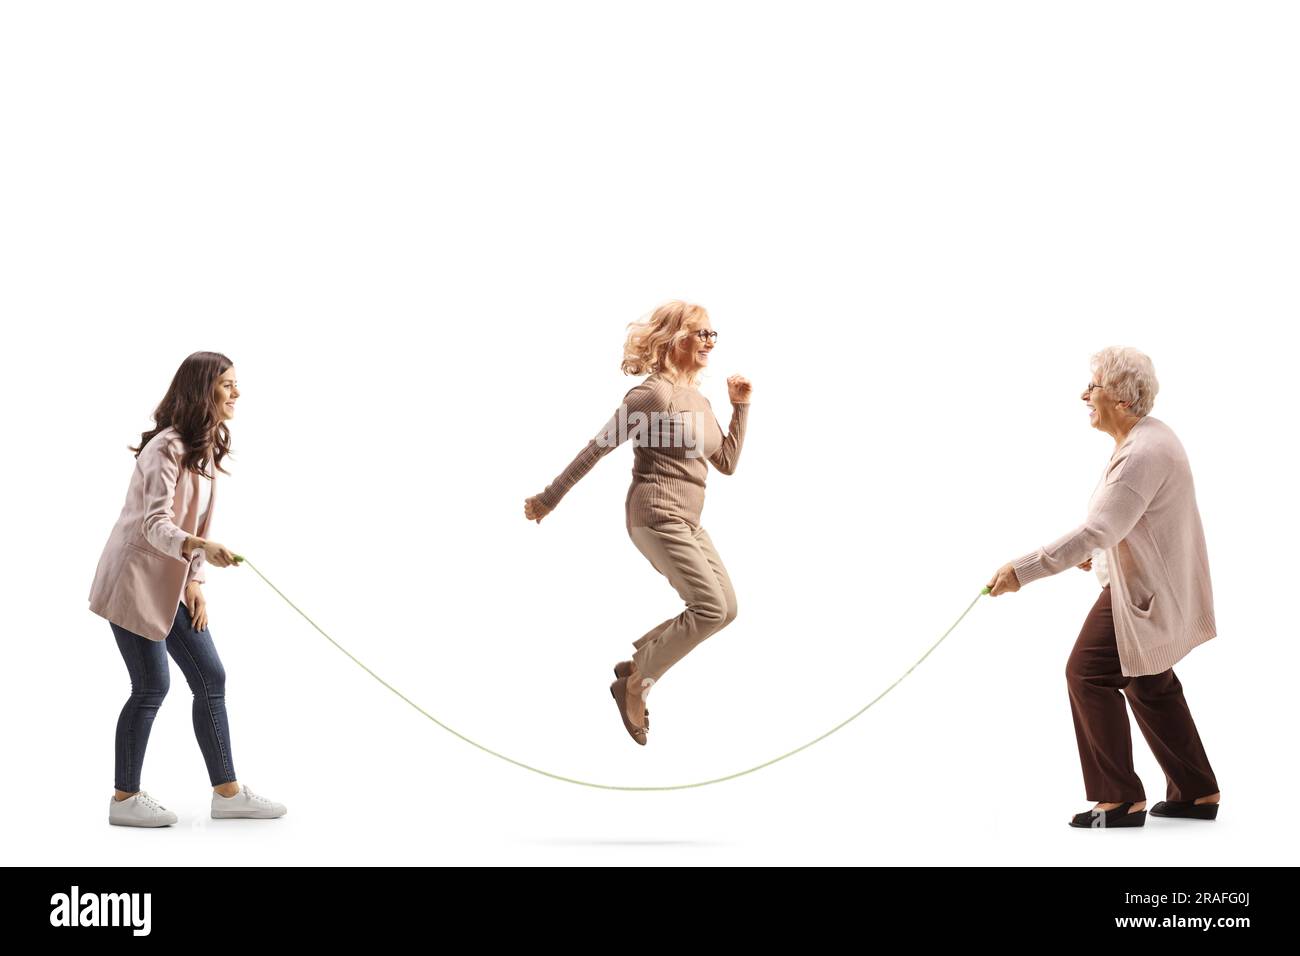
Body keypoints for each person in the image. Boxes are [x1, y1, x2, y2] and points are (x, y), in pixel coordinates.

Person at [986, 346, 1220, 828]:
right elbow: (1131, 524)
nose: (1083, 394)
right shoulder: (1151, 438)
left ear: (1120, 396)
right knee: (1147, 680)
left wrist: (1022, 570)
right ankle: (1197, 792)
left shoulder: (1141, 453)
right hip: (1159, 586)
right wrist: (1105, 551)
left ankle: (1119, 799)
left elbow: (1099, 529)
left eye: (1092, 385)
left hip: (1142, 596)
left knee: (1087, 674)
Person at [525, 301, 753, 745]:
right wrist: (548, 499)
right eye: (699, 332)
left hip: (689, 520)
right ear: (673, 339)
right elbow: (598, 448)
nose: (709, 341)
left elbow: (725, 462)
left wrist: (740, 407)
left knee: (725, 610)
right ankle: (636, 684)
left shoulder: (698, 399)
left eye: (712, 333)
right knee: (707, 608)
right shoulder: (652, 395)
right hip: (654, 515)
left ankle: (636, 666)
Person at [89, 351, 287, 826]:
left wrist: (196, 578)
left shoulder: (204, 448)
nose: (236, 393)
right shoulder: (166, 448)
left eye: (236, 384)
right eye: (227, 385)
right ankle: (124, 800)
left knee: (210, 677)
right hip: (134, 581)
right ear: (204, 390)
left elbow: (197, 520)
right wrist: (198, 546)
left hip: (173, 581)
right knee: (152, 684)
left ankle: (227, 794)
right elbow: (155, 523)